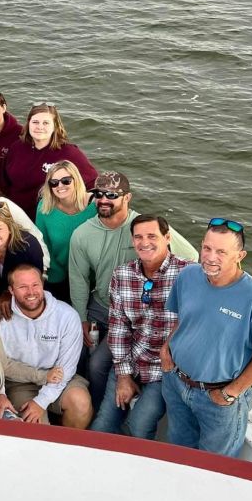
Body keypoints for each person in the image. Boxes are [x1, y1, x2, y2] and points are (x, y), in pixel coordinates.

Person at [67, 171, 198, 409]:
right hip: (100, 305)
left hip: (135, 312)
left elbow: (191, 256)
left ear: (127, 197)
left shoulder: (144, 228)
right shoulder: (81, 235)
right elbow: (79, 279)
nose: (103, 199)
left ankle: (108, 406)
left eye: (111, 195)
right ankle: (88, 406)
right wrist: (81, 318)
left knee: (98, 363)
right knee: (79, 353)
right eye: (99, 194)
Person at [161, 219, 252, 457]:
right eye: (207, 248)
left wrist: (229, 393)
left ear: (240, 256)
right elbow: (182, 318)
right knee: (177, 452)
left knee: (215, 465)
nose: (210, 257)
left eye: (221, 252)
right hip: (176, 383)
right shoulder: (188, 275)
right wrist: (166, 349)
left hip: (217, 398)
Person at [89, 215, 190, 440]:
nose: (145, 243)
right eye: (138, 237)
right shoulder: (122, 274)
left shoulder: (188, 273)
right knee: (102, 426)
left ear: (167, 238)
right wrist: (124, 375)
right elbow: (118, 328)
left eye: (152, 236)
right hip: (133, 359)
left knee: (139, 426)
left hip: (166, 371)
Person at [0, 265, 92, 428]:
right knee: (36, 428)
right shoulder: (1, 317)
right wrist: (1, 394)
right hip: (20, 382)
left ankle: (64, 443)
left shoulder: (67, 315)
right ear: (11, 290)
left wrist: (41, 401)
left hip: (58, 377)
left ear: (42, 284)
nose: (31, 292)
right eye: (22, 287)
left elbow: (67, 367)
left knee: (80, 403)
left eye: (35, 285)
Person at [2, 102, 97, 219]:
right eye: (35, 122)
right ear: (28, 124)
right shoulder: (16, 148)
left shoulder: (69, 153)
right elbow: (5, 182)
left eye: (46, 123)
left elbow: (92, 184)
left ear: (55, 126)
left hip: (48, 217)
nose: (40, 127)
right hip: (15, 214)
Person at [34, 161, 96, 304]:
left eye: (66, 181)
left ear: (76, 180)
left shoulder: (95, 206)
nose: (60, 186)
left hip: (93, 275)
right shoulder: (44, 208)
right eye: (54, 183)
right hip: (59, 273)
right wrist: (49, 275)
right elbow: (43, 245)